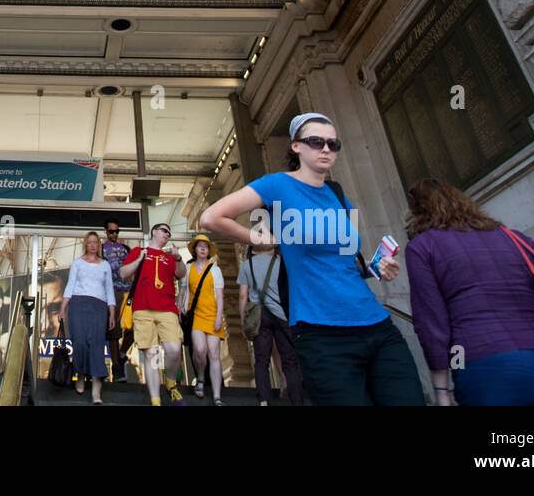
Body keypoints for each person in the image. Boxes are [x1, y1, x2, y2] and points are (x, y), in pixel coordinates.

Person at [200, 112, 424, 406]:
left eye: (333, 144)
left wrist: (375, 268)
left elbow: (348, 262)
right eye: (316, 142)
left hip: (377, 325)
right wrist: (260, 239)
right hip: (322, 334)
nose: (326, 149)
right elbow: (211, 217)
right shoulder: (276, 185)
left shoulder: (338, 193)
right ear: (296, 146)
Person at [404, 178, 534, 406]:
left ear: (417, 211)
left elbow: (432, 324)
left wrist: (441, 390)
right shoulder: (512, 236)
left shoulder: (422, 247)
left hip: (487, 362)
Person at [119, 222, 187, 406]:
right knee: (151, 354)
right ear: (154, 232)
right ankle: (155, 400)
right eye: (164, 231)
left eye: (169, 233)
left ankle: (171, 382)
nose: (167, 234)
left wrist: (178, 257)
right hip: (143, 307)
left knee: (173, 349)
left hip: (167, 308)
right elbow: (123, 273)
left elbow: (181, 274)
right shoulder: (138, 251)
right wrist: (139, 259)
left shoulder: (170, 257)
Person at [238, 243, 304, 406]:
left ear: (252, 250)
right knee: (290, 361)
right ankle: (297, 400)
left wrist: (244, 321)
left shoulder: (247, 265)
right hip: (281, 314)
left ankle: (264, 400)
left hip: (259, 316)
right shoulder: (281, 263)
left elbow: (242, 295)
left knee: (261, 360)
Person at [61, 231, 116, 403]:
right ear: (85, 244)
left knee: (97, 343)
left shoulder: (105, 265)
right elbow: (70, 285)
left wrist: (112, 312)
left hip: (99, 306)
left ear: (99, 245)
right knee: (79, 342)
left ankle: (96, 390)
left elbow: (109, 289)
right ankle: (81, 375)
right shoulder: (78, 263)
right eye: (90, 242)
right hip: (78, 304)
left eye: (96, 242)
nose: (93, 245)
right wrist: (63, 308)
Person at [182, 233, 225, 404]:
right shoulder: (188, 269)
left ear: (209, 251)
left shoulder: (215, 270)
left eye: (206, 247)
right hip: (196, 315)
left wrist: (219, 317)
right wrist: (180, 306)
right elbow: (184, 289)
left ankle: (217, 395)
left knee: (214, 353)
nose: (203, 249)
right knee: (199, 350)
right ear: (194, 250)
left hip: (212, 314)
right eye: (200, 246)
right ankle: (200, 377)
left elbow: (220, 296)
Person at [101, 218, 132, 381]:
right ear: (106, 231)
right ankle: (116, 366)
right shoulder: (100, 249)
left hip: (127, 291)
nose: (114, 234)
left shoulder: (126, 248)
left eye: (117, 231)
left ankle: (121, 353)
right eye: (111, 231)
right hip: (110, 292)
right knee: (113, 331)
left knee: (134, 325)